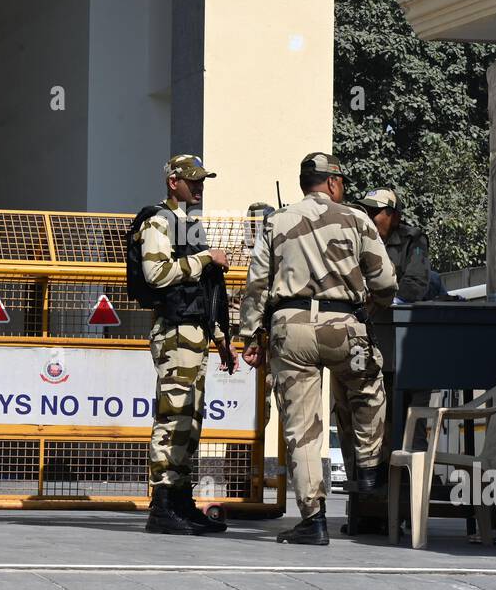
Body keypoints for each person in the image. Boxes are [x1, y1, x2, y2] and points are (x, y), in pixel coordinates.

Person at [237, 153, 397, 544]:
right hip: (346, 330)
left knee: (302, 427)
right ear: (332, 182)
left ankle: (313, 519)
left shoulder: (276, 221)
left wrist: (250, 335)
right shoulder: (357, 219)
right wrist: (370, 306)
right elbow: (386, 282)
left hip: (291, 332)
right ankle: (371, 468)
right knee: (366, 390)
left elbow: (257, 284)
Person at [132, 154, 237, 535]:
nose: (199, 185)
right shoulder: (159, 221)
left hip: (196, 332)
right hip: (175, 331)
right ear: (172, 181)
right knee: (173, 416)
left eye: (202, 180)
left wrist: (222, 338)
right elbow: (156, 274)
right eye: (192, 180)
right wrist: (205, 258)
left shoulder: (188, 225)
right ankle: (162, 505)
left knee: (191, 420)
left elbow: (208, 290)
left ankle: (179, 500)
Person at [355, 188, 436, 304]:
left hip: (400, 313)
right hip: (364, 309)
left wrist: (391, 302)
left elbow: (416, 280)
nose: (368, 217)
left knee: (434, 279)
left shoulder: (413, 240)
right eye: (366, 212)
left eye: (374, 212)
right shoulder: (358, 238)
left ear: (395, 217)